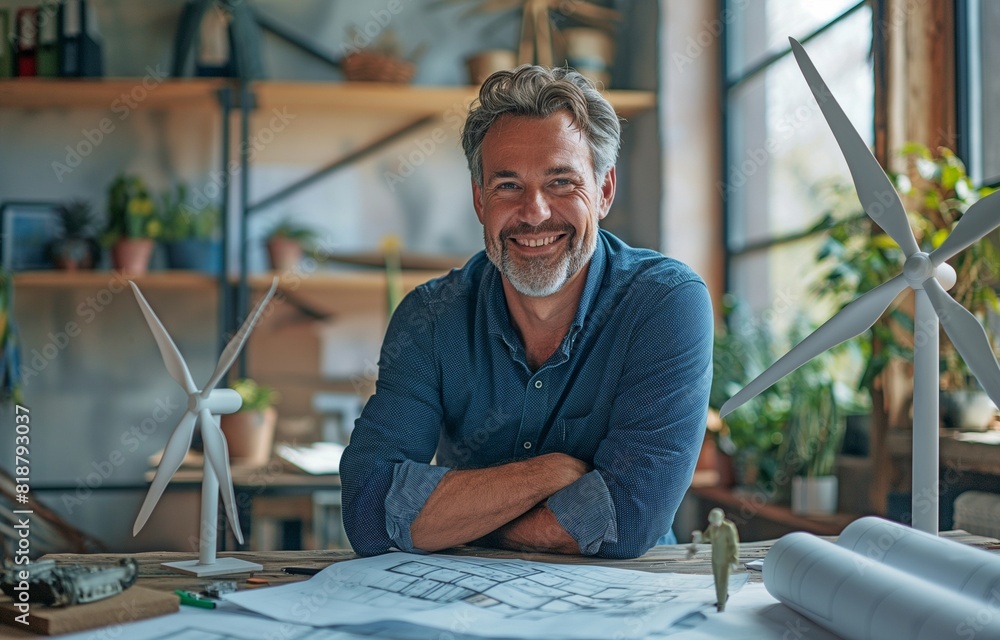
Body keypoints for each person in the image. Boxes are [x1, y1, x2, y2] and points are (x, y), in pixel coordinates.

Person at [340, 65, 713, 560]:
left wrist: (448, 521)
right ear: (479, 200)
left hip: (623, 604)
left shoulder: (665, 304)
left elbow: (627, 518)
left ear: (603, 191)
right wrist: (553, 473)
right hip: (464, 608)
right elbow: (368, 510)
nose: (535, 213)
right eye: (508, 186)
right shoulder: (430, 318)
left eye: (561, 182)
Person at [688, 508, 739, 611]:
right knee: (717, 581)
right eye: (712, 522)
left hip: (726, 559)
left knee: (722, 582)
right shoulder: (712, 527)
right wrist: (699, 537)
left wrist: (734, 560)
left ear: (722, 518)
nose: (714, 524)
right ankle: (722, 597)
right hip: (715, 558)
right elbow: (706, 537)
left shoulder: (728, 528)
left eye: (715, 522)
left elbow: (733, 545)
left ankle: (721, 605)